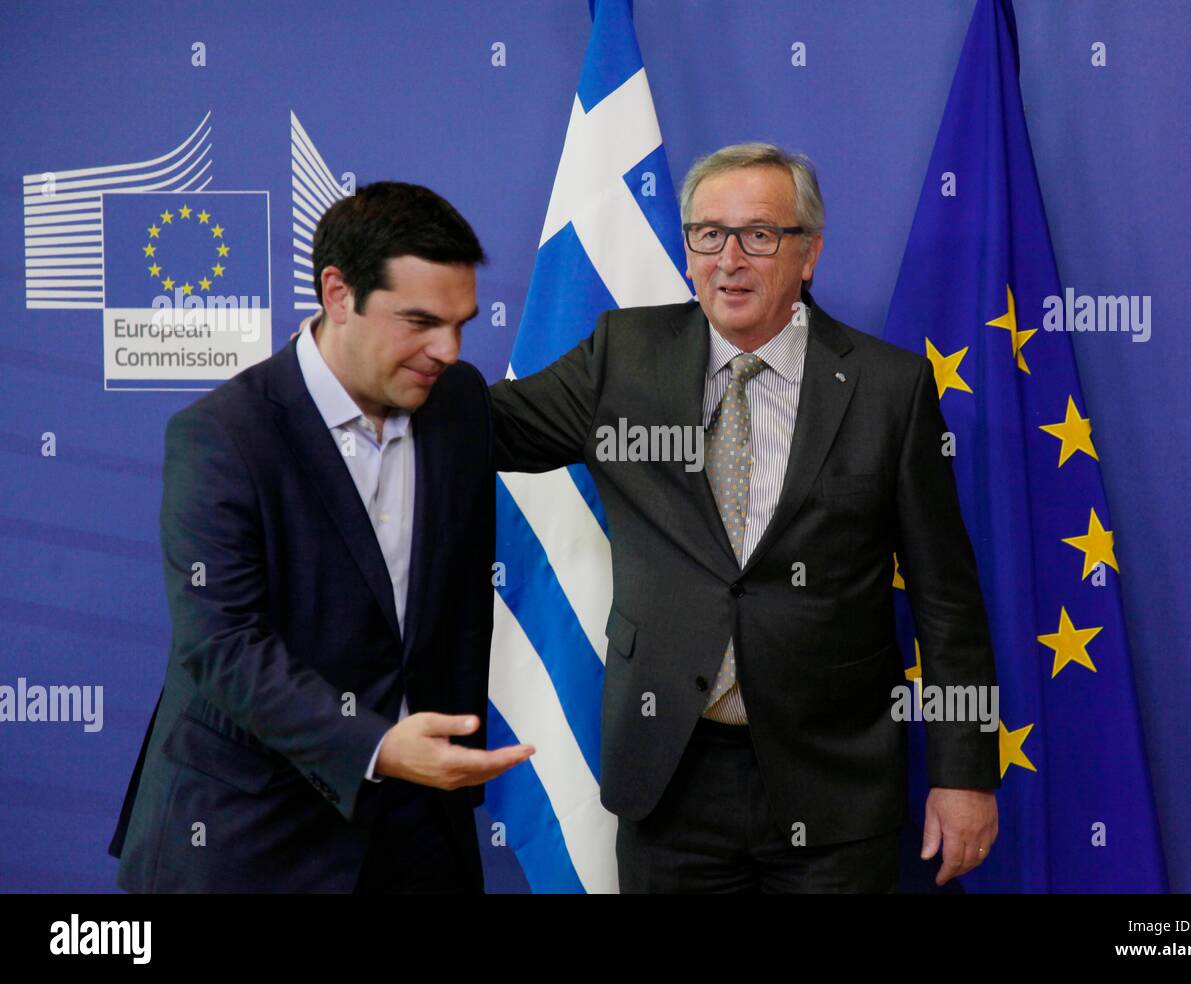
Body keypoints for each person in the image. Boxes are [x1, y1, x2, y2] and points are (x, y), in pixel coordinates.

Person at [490, 143, 1000, 893]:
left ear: (809, 254)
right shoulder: (622, 358)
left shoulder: (890, 388)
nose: (729, 259)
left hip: (834, 791)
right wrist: (367, 366)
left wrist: (965, 776)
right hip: (669, 780)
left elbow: (946, 601)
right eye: (707, 234)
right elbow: (484, 428)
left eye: (758, 235)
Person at [108, 182, 533, 893]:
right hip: (253, 835)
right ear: (339, 294)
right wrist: (377, 747)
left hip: (420, 834)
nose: (447, 349)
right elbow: (221, 646)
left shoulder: (458, 403)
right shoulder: (223, 437)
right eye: (420, 321)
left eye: (462, 322)